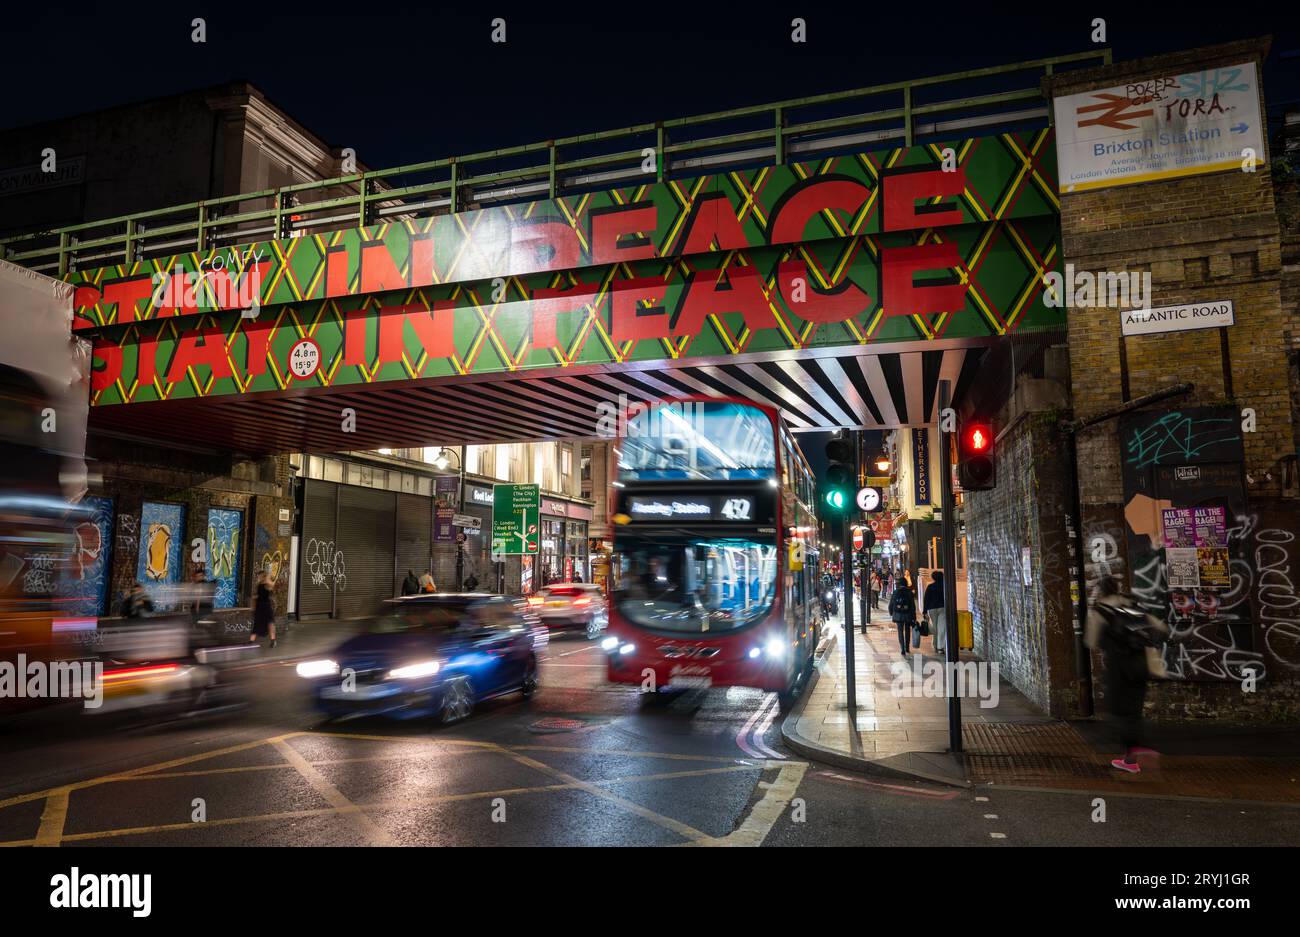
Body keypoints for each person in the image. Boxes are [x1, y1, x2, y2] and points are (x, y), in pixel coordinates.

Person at [1084, 575, 1168, 774]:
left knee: (1120, 711)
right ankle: (1136, 752)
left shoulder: (1100, 611)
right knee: (1134, 710)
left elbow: (1090, 641)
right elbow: (1160, 627)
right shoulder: (1132, 603)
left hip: (1119, 667)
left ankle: (1133, 756)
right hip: (1141, 663)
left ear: (1101, 591)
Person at [888, 572, 918, 656]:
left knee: (900, 631)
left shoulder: (896, 592)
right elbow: (912, 605)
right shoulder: (910, 592)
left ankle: (902, 648)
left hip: (898, 614)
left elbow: (892, 603)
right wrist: (914, 616)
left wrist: (891, 612)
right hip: (908, 613)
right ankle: (907, 647)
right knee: (908, 630)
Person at [251, 571, 276, 648]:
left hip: (266, 607)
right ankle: (251, 641)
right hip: (259, 606)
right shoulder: (259, 585)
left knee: (270, 623)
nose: (258, 578)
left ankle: (273, 641)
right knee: (257, 623)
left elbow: (272, 585)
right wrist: (253, 607)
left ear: (263, 577)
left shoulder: (267, 585)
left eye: (260, 576)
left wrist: (267, 578)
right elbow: (256, 596)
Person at [923, 570, 946, 654]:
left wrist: (924, 611)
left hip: (932, 609)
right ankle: (940, 647)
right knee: (942, 628)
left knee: (935, 627)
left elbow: (926, 599)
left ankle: (935, 645)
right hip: (942, 608)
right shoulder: (945, 586)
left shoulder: (930, 586)